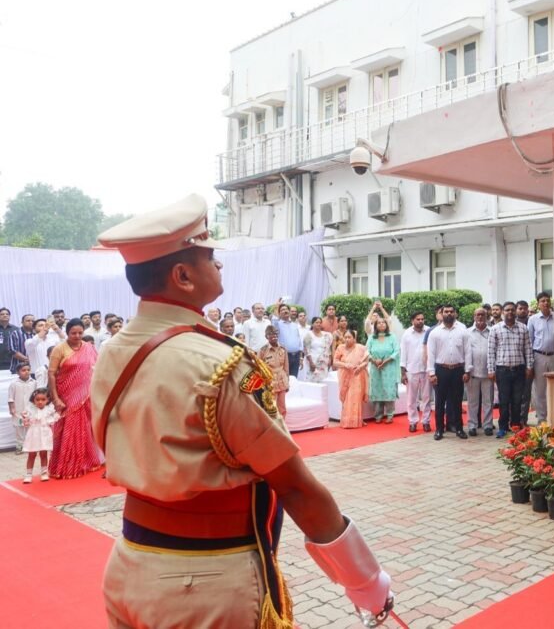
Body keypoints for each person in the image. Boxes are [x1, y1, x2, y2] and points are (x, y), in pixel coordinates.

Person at [92, 194, 391, 627]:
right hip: (203, 581)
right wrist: (366, 583)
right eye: (210, 256)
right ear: (182, 276)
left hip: (129, 563)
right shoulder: (220, 362)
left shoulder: (113, 350)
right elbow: (296, 487)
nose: (219, 265)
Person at [48, 318, 102, 479]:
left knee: (87, 429)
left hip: (87, 395)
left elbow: (97, 368)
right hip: (67, 395)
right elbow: (51, 373)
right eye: (73, 333)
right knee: (70, 429)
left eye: (80, 333)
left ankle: (88, 461)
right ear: (67, 332)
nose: (77, 336)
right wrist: (56, 398)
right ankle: (68, 465)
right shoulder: (59, 349)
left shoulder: (89, 347)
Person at [488, 302, 533, 439]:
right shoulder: (495, 329)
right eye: (507, 310)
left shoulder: (523, 328)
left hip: (519, 369)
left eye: (512, 310)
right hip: (502, 370)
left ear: (515, 312)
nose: (510, 313)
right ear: (502, 312)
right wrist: (491, 370)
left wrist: (529, 366)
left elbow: (528, 349)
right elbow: (491, 351)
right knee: (503, 400)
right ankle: (502, 427)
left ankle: (515, 426)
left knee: (517, 400)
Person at [427, 304, 472, 440]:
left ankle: (459, 429)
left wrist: (467, 370)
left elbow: (468, 351)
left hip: (458, 370)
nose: (448, 314)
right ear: (441, 313)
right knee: (439, 402)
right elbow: (431, 354)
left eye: (451, 311)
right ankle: (439, 430)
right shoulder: (435, 332)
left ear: (455, 314)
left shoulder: (463, 330)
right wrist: (432, 373)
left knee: (457, 402)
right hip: (441, 370)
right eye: (446, 312)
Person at [400, 312, 432, 433]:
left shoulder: (429, 331)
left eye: (422, 319)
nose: (420, 321)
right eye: (418, 319)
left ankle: (426, 421)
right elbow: (403, 353)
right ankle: (413, 422)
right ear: (412, 320)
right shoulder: (407, 334)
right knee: (411, 398)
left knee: (427, 398)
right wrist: (403, 372)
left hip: (426, 370)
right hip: (411, 370)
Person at [527, 292, 554, 424]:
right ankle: (542, 418)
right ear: (538, 304)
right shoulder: (533, 320)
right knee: (540, 389)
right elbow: (529, 342)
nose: (546, 303)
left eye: (547, 300)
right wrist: (530, 363)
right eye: (542, 301)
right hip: (539, 356)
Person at [466, 308, 494, 436]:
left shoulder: (492, 332)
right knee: (472, 401)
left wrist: (493, 370)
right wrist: (466, 371)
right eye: (478, 314)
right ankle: (472, 425)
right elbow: (465, 353)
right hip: (473, 373)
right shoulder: (468, 333)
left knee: (488, 401)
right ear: (474, 316)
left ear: (487, 316)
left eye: (483, 314)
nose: (480, 317)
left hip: (488, 373)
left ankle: (488, 425)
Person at [21, 388, 59, 483]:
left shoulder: (49, 410)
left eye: (43, 400)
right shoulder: (30, 410)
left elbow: (54, 419)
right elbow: (25, 422)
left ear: (47, 400)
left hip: (44, 434)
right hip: (33, 434)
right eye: (37, 400)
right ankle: (28, 474)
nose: (40, 402)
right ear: (33, 400)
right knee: (31, 454)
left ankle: (44, 473)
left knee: (43, 454)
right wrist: (25, 420)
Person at [334, 329, 369, 429]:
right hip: (345, 376)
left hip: (357, 375)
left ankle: (357, 421)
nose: (347, 339)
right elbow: (335, 362)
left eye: (349, 337)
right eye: (345, 337)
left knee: (355, 397)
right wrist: (345, 365)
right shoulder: (340, 348)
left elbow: (366, 361)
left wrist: (360, 367)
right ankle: (347, 421)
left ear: (354, 339)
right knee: (347, 398)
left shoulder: (361, 348)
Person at [367, 318, 399, 423]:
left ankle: (390, 415)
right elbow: (366, 351)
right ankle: (378, 415)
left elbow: (397, 351)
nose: (381, 324)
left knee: (389, 390)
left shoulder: (392, 337)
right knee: (377, 389)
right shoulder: (372, 337)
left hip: (389, 368)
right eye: (379, 323)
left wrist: (385, 361)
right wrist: (373, 360)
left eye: (383, 322)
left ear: (386, 325)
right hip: (375, 368)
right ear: (375, 326)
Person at [259, 326, 290, 418]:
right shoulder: (263, 350)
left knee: (282, 407)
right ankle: (273, 428)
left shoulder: (283, 349)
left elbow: (286, 367)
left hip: (282, 380)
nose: (274, 336)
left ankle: (282, 428)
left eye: (276, 334)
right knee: (271, 407)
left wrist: (287, 383)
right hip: (270, 382)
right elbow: (259, 368)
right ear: (266, 336)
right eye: (270, 334)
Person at [271, 300, 303, 378]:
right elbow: (274, 320)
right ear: (279, 313)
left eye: (286, 309)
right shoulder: (277, 324)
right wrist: (276, 307)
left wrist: (301, 357)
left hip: (296, 356)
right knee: (284, 379)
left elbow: (299, 341)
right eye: (282, 310)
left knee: (294, 379)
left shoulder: (295, 325)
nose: (285, 311)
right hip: (284, 356)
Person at [8, 362, 35, 452]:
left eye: (28, 370)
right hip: (18, 411)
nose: (26, 372)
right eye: (23, 370)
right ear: (18, 372)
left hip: (31, 410)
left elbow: (36, 396)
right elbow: (10, 398)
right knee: (19, 429)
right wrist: (12, 408)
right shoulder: (14, 384)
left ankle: (30, 446)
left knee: (30, 428)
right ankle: (19, 447)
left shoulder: (34, 383)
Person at [304, 317, 334, 383]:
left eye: (320, 323)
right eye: (316, 322)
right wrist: (311, 363)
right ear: (312, 324)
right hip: (312, 362)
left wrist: (329, 358)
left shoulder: (327, 335)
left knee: (323, 382)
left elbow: (328, 348)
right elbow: (307, 350)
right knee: (311, 382)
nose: (318, 324)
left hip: (323, 363)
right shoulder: (308, 335)